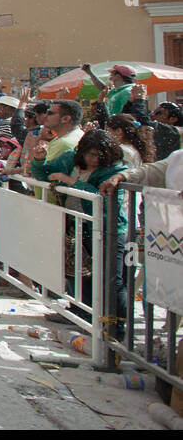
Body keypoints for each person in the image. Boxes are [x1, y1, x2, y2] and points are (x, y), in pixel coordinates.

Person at [45, 129, 129, 336]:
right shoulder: (75, 164)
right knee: (84, 274)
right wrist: (38, 160)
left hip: (111, 230)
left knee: (113, 280)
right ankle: (86, 316)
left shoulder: (114, 172)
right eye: (90, 154)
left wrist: (73, 182)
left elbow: (104, 201)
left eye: (99, 154)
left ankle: (115, 329)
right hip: (84, 226)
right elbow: (43, 172)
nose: (94, 159)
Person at [28, 99, 83, 184]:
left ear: (65, 119)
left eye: (50, 113)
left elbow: (39, 172)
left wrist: (32, 147)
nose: (45, 116)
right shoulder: (76, 135)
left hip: (49, 196)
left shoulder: (64, 142)